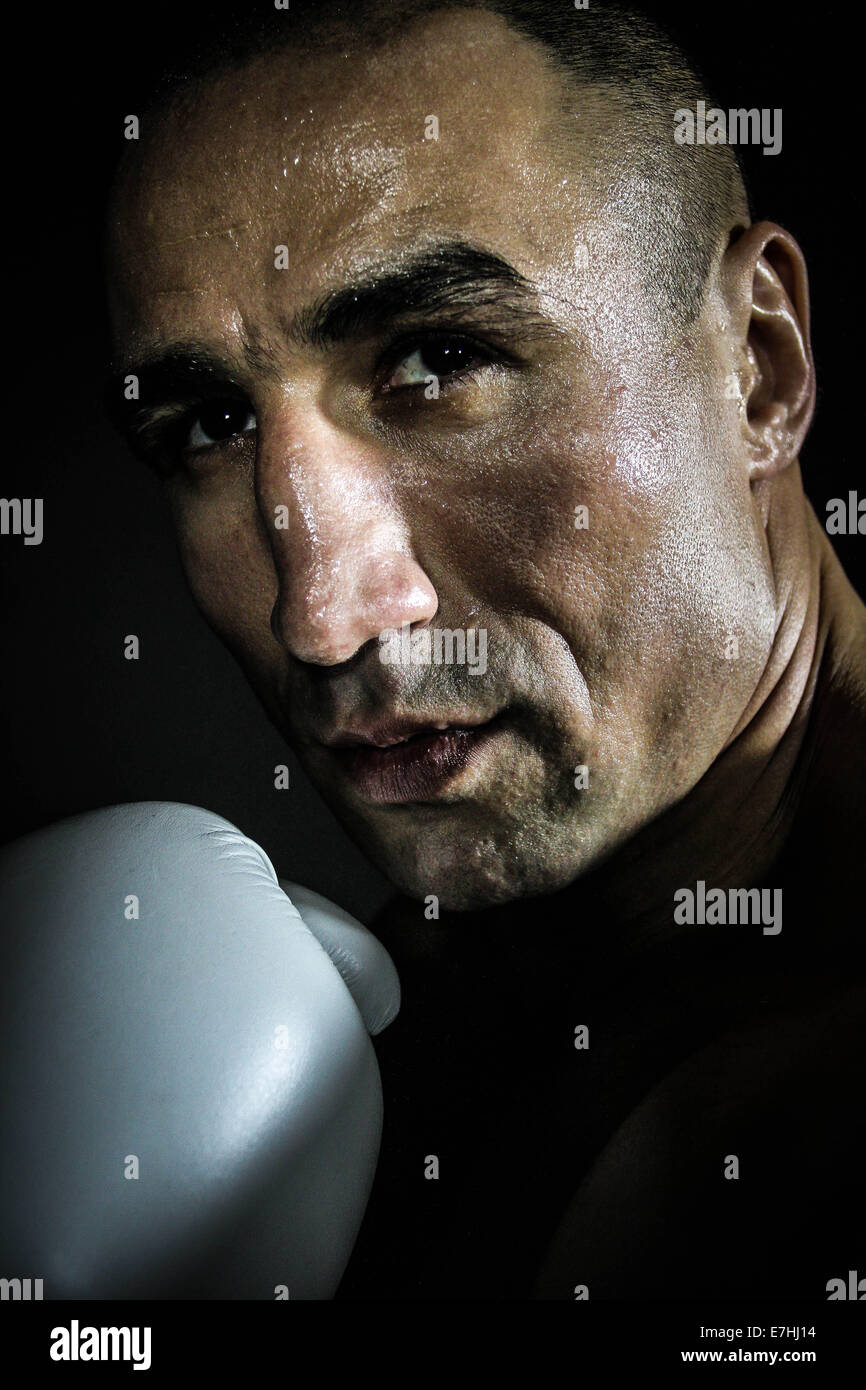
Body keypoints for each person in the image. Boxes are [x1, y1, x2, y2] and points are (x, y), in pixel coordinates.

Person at [101, 0, 864, 1299]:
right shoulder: (385, 1008)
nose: (325, 617)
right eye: (211, 425)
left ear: (757, 366)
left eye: (438, 359)